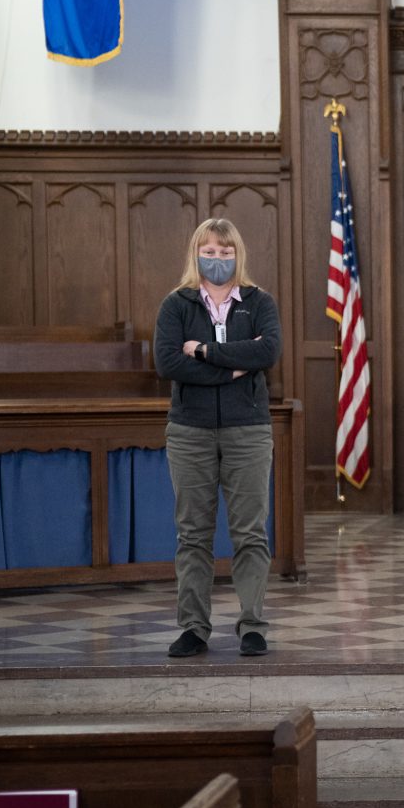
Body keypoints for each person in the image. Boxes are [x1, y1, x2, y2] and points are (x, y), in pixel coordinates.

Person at [153, 218, 282, 659]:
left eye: (226, 253)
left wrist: (205, 351)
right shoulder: (177, 305)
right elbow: (169, 363)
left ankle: (252, 625)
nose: (218, 259)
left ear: (237, 256)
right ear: (196, 254)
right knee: (193, 534)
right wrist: (232, 369)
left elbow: (268, 352)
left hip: (248, 430)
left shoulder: (259, 302)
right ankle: (193, 627)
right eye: (210, 251)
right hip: (191, 431)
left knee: (250, 532)